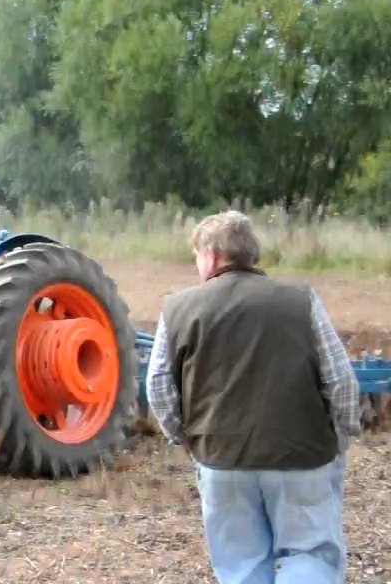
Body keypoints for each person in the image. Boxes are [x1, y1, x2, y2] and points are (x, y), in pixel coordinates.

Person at [146, 210, 360, 584]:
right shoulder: (301, 301)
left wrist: (187, 439)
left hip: (221, 460)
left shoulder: (177, 309)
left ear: (211, 255)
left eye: (197, 255)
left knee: (241, 566)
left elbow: (160, 386)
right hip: (302, 455)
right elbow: (340, 380)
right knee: (308, 555)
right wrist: (339, 437)